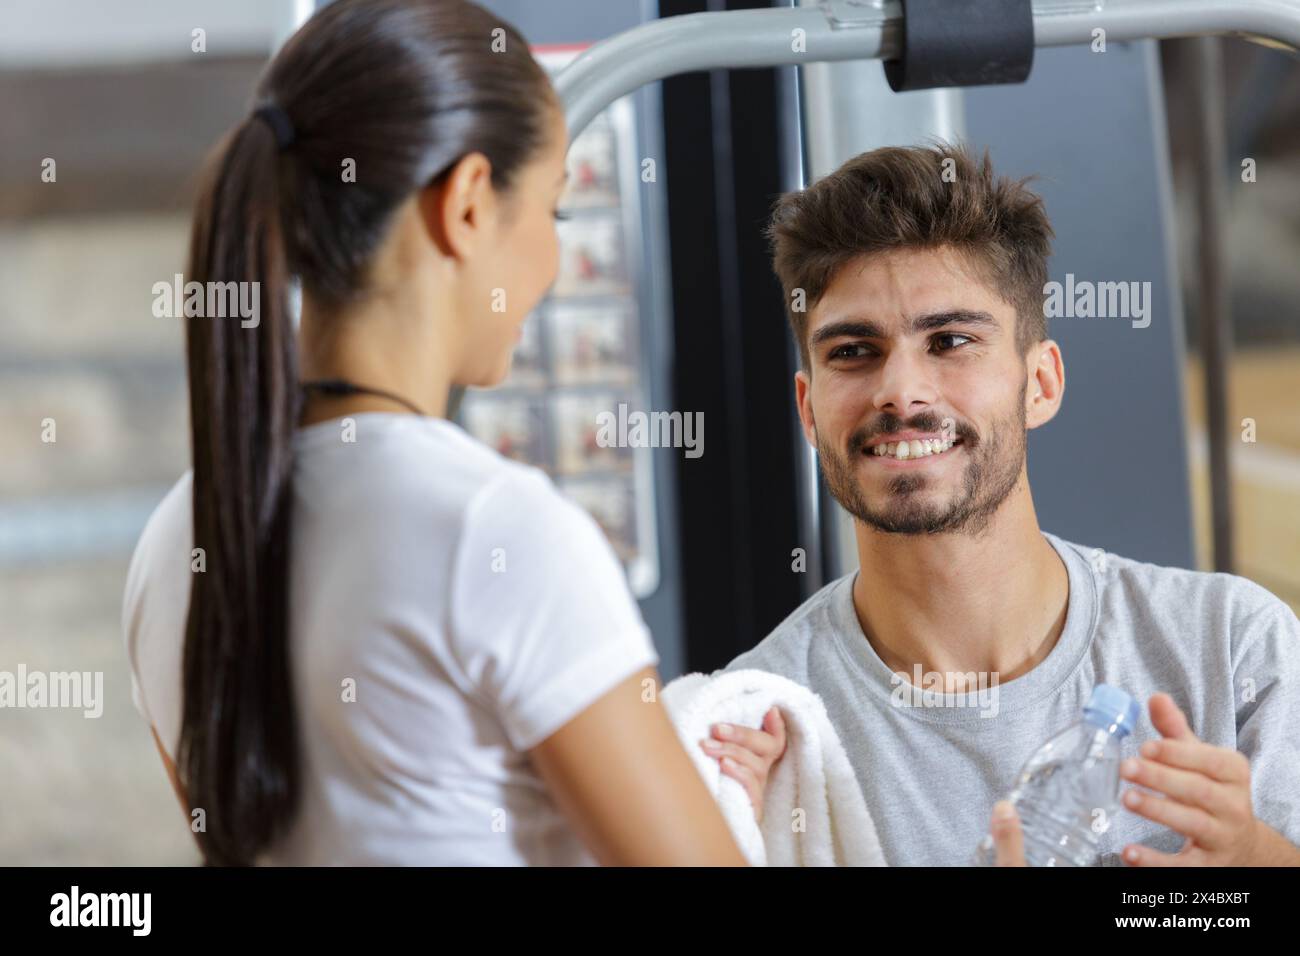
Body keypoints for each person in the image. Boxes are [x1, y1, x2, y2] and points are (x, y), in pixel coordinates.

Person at [121, 0, 745, 867]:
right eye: (554, 214)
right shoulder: (495, 530)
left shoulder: (175, 540)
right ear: (468, 205)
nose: (553, 263)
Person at [696, 142, 1300, 867]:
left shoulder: (1230, 648)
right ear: (808, 408)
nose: (901, 391)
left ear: (1040, 384)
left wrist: (1253, 868)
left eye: (951, 341)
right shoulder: (763, 731)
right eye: (853, 352)